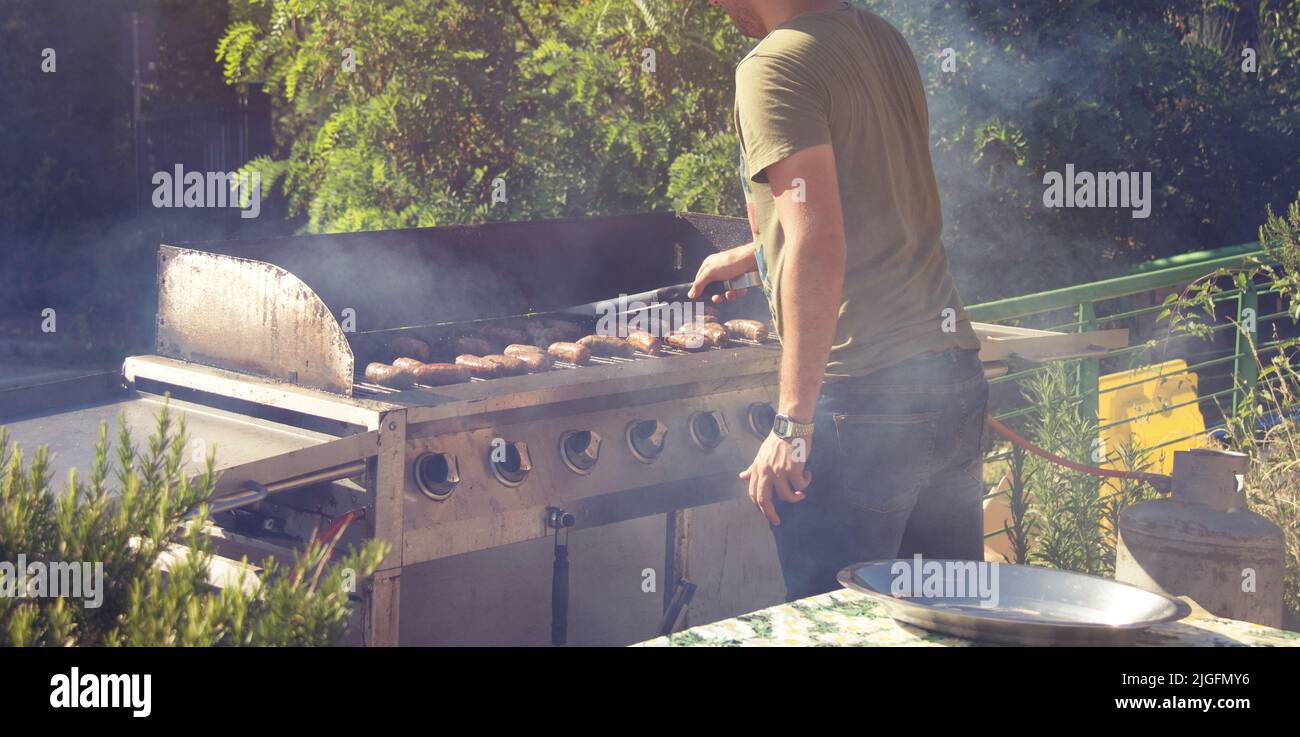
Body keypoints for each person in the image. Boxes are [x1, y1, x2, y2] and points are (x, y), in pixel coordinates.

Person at [688, 0, 989, 601]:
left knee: (840, 625)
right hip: (950, 380)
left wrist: (791, 424)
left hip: (865, 404)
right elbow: (875, 199)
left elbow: (819, 241)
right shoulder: (881, 38)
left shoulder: (772, 64)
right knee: (946, 621)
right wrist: (755, 251)